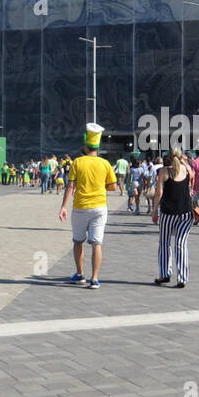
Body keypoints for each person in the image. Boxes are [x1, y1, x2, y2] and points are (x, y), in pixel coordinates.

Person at [57, 123, 118, 288]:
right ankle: (95, 278)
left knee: (78, 241)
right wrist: (99, 186)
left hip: (80, 207)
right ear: (97, 146)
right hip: (99, 207)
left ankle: (80, 274)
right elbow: (113, 186)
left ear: (85, 145)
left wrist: (63, 206)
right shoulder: (105, 164)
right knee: (97, 243)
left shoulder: (77, 162)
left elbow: (71, 186)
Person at [152, 149, 199, 286]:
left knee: (164, 243)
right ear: (181, 157)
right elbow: (192, 177)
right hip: (186, 212)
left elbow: (159, 193)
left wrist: (154, 210)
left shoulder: (164, 171)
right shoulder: (186, 170)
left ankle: (164, 274)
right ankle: (182, 278)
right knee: (181, 244)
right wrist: (185, 163)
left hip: (168, 212)